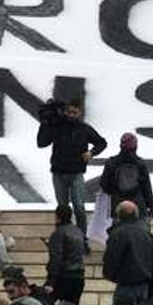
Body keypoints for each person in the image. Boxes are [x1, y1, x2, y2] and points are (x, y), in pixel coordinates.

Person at [37, 96, 107, 235]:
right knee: (62, 208)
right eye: (69, 112)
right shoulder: (57, 126)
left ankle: (82, 238)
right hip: (58, 172)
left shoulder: (84, 129)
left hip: (76, 173)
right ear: (65, 112)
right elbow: (41, 143)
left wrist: (92, 152)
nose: (71, 115)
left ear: (79, 113)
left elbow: (102, 142)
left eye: (74, 113)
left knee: (79, 207)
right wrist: (45, 123)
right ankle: (62, 236)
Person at [102, 200, 153, 305]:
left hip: (125, 285)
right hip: (144, 285)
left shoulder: (118, 234)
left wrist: (110, 275)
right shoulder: (147, 234)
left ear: (118, 215)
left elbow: (112, 260)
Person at [100, 132, 153, 219]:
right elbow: (147, 187)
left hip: (118, 203)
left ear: (121, 146)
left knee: (117, 228)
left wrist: (114, 191)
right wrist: (150, 206)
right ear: (135, 146)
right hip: (137, 203)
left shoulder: (111, 163)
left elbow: (104, 184)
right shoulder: (140, 164)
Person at [44, 203, 87, 305]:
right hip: (79, 276)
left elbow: (56, 258)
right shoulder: (77, 231)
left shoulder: (58, 233)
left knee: (47, 304)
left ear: (57, 216)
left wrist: (51, 281)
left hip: (64, 276)